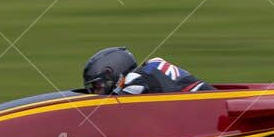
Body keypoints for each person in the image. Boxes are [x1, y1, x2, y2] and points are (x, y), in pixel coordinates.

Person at [82, 47, 212, 95]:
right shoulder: (147, 70)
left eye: (98, 87)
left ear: (112, 74)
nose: (96, 93)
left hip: (209, 108)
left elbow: (117, 108)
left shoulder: (135, 79)